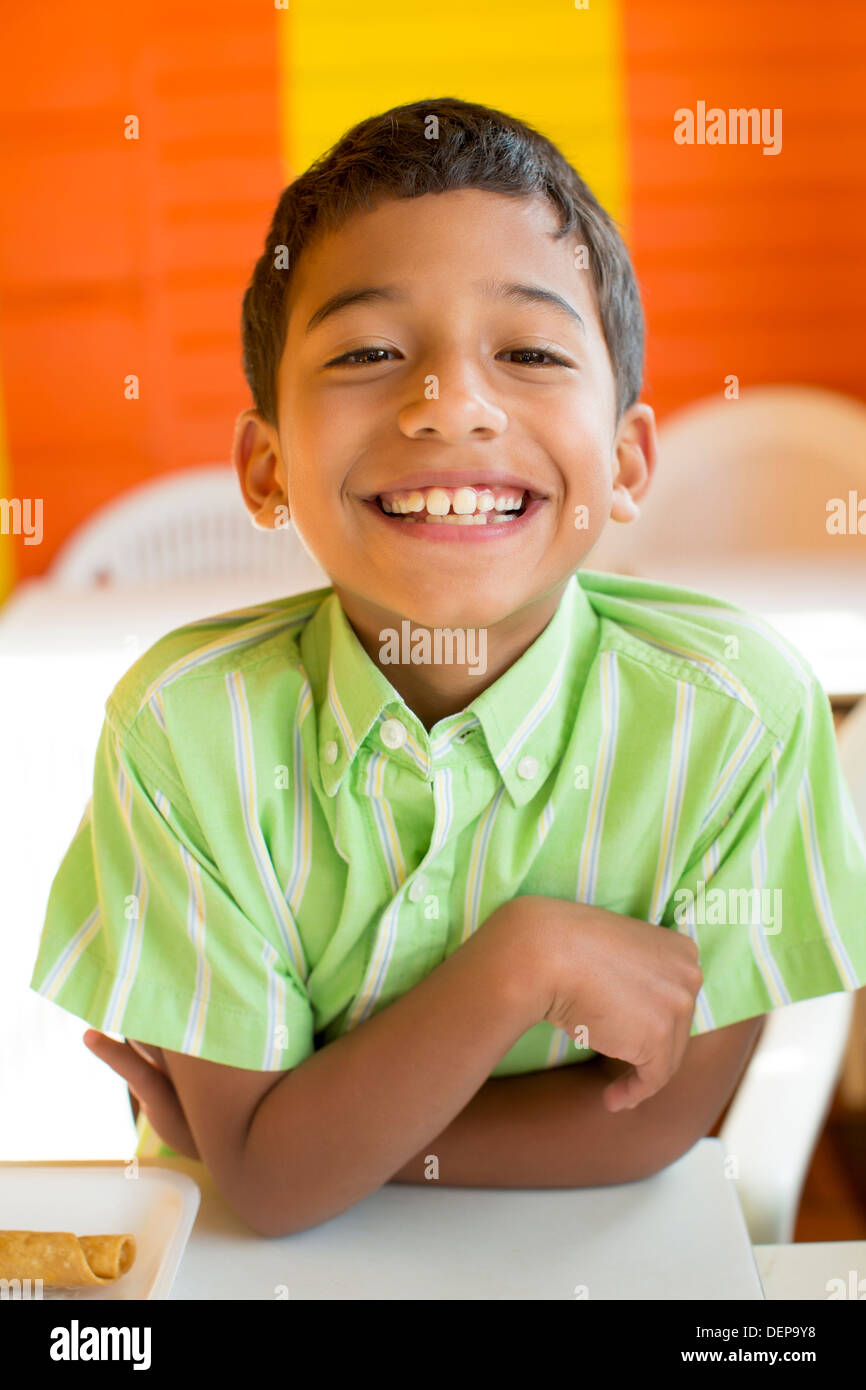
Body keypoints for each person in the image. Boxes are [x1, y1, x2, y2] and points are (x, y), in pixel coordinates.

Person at [30, 97, 866, 1238]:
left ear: (624, 462)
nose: (450, 404)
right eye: (370, 352)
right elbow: (268, 1196)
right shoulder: (185, 729)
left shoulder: (736, 718)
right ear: (267, 466)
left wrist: (292, 1136)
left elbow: (656, 1119)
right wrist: (525, 964)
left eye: (525, 351)